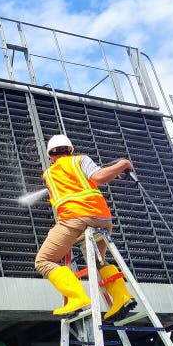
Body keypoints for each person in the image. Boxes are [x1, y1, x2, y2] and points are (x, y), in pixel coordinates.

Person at [35, 134, 137, 319]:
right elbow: (98, 177)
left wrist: (121, 164)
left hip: (75, 220)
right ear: (70, 150)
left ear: (51, 156)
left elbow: (99, 177)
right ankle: (122, 297)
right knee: (99, 262)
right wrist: (122, 164)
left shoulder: (48, 175)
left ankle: (77, 297)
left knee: (44, 261)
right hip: (102, 220)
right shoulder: (80, 160)